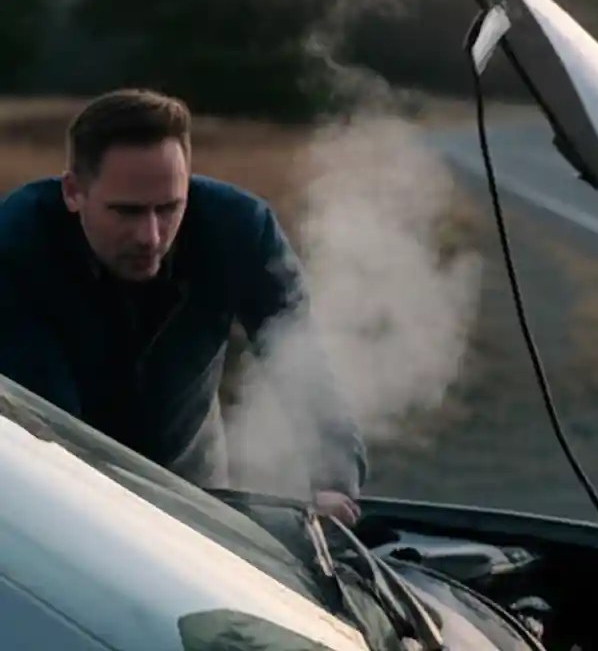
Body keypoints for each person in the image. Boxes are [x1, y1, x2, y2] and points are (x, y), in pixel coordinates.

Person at [0, 89, 365, 525]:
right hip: (61, 493)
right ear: (74, 192)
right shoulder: (17, 242)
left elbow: (298, 354)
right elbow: (48, 423)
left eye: (169, 207)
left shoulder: (239, 228)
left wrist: (333, 479)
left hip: (196, 495)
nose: (151, 236)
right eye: (127, 212)